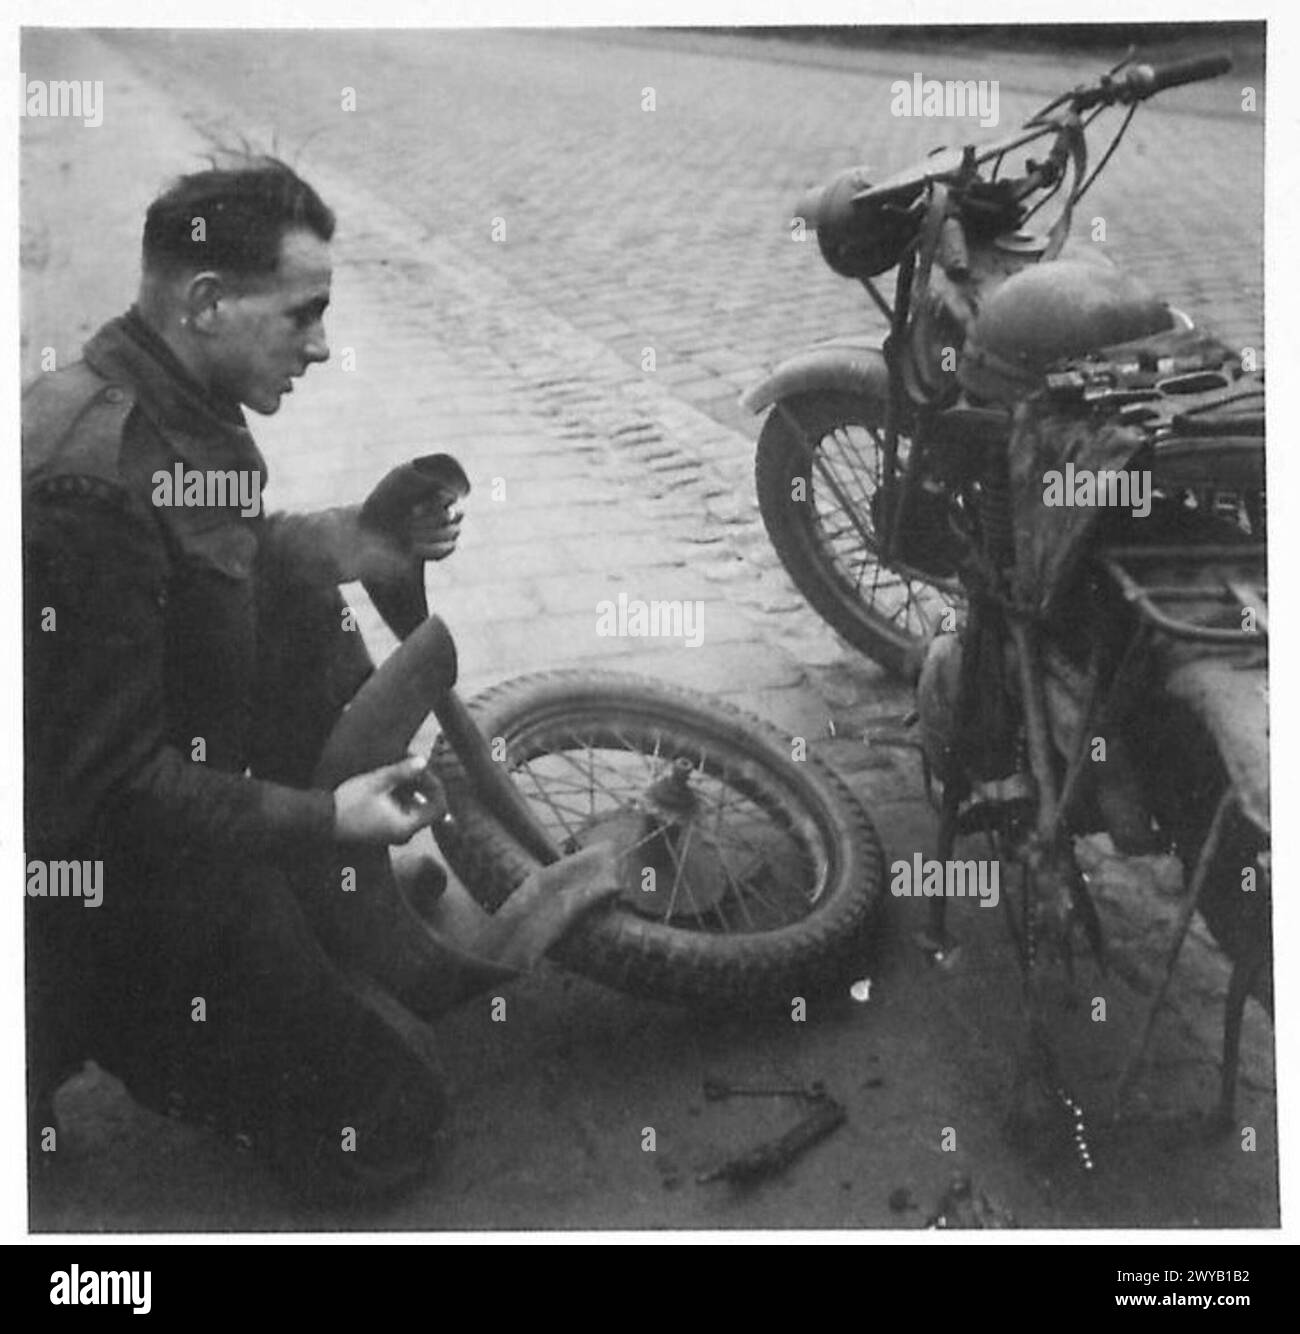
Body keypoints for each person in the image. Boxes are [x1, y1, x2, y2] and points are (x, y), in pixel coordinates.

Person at [23, 153, 618, 1202]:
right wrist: (324, 818)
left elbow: (231, 556)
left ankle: (272, 930)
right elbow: (108, 800)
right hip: (95, 877)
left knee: (307, 613)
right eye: (303, 314)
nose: (322, 343)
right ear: (207, 300)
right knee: (387, 1126)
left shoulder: (176, 400)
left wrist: (367, 538)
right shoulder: (87, 479)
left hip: (176, 790)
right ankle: (79, 1028)